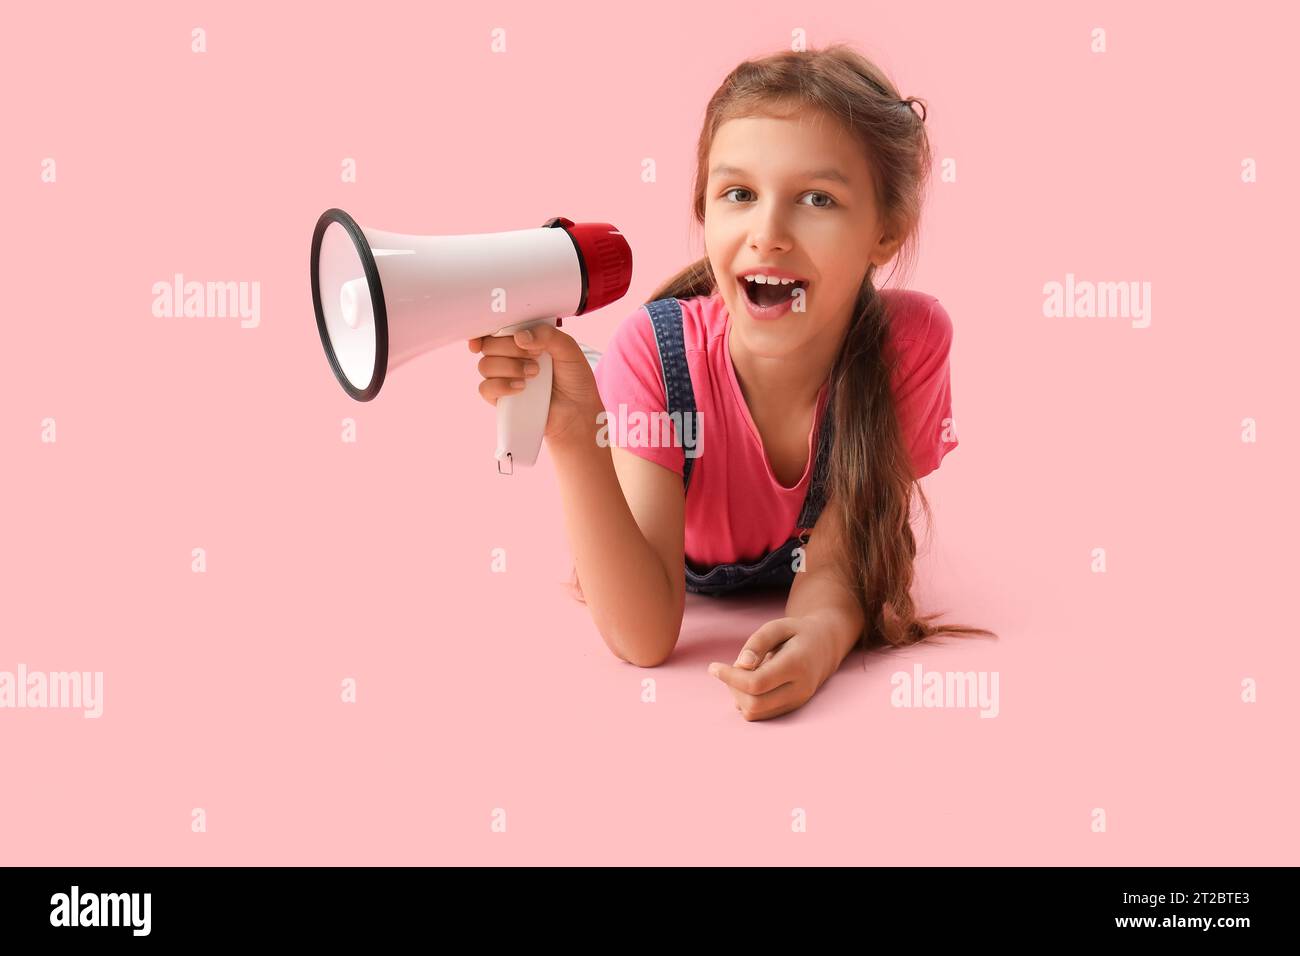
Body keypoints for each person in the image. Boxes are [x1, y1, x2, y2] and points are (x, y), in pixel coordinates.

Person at [467, 43, 994, 720]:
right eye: (739, 194)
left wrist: (822, 638)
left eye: (817, 198)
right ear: (704, 213)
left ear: (884, 234)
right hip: (660, 546)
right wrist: (574, 435)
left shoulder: (909, 345)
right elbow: (644, 635)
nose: (767, 233)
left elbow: (835, 556)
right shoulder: (656, 353)